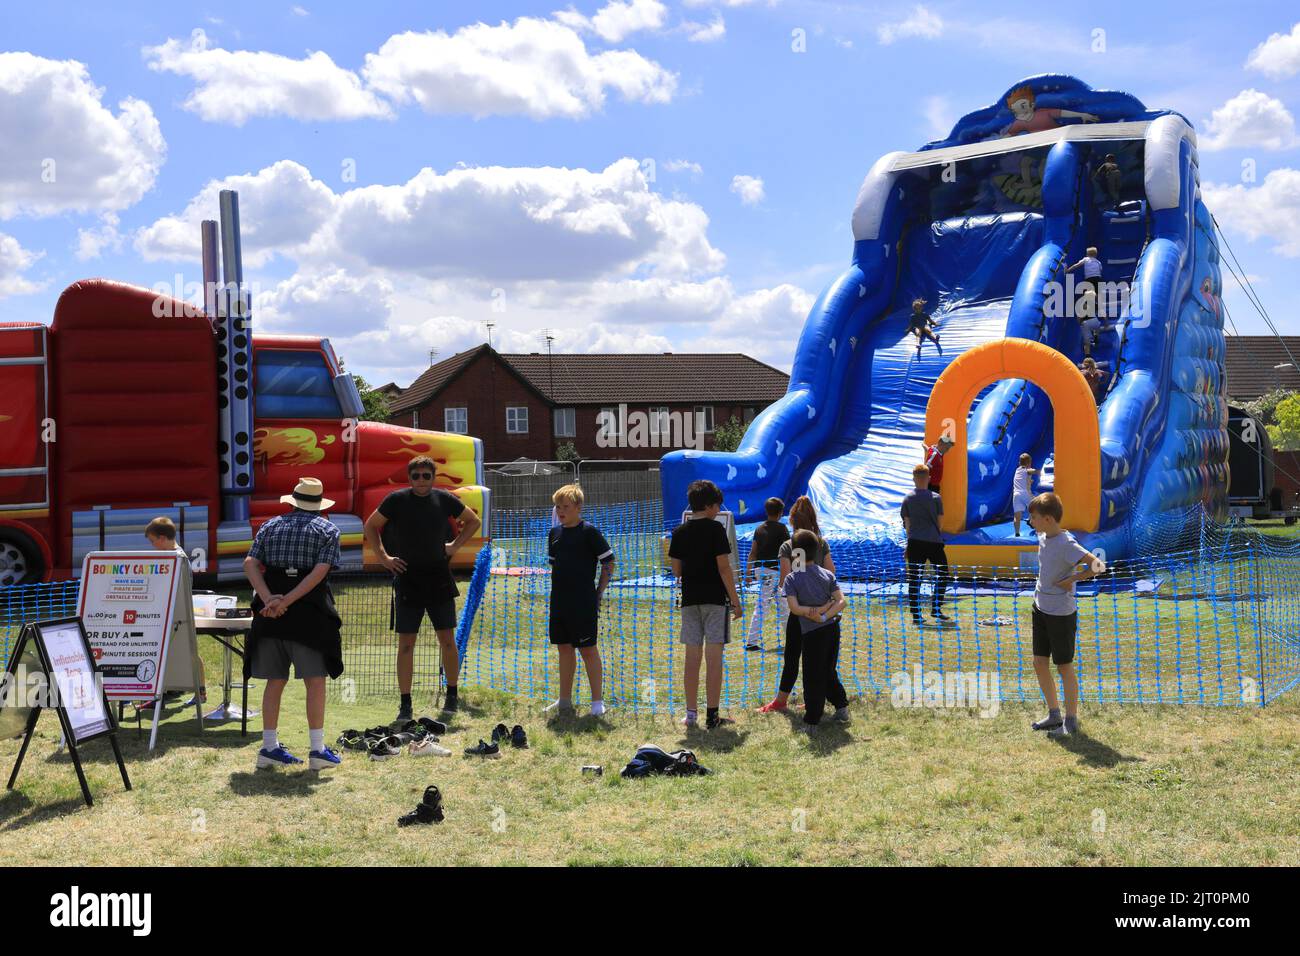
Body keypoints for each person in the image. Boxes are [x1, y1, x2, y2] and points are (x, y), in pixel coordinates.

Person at [364, 455, 482, 722]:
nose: (420, 480)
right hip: (407, 578)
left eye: (425, 476)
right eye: (415, 476)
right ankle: (405, 705)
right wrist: (384, 558)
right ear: (409, 478)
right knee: (406, 644)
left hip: (439, 577)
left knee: (447, 641)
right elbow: (371, 526)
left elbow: (472, 521)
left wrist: (455, 545)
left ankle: (452, 695)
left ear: (433, 477)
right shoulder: (396, 500)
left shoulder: (444, 499)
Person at [243, 477, 345, 771]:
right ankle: (317, 751)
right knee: (315, 681)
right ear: (319, 504)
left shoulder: (271, 525)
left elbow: (250, 563)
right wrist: (286, 600)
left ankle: (269, 747)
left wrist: (268, 599)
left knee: (275, 681)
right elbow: (319, 574)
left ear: (293, 501)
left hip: (269, 616)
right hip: (309, 616)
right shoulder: (328, 530)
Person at [1027, 492, 1106, 739]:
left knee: (1063, 666)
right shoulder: (1043, 536)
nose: (1031, 522)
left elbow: (1098, 566)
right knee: (1039, 663)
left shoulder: (1066, 543)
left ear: (1048, 519)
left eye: (1034, 518)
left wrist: (1071, 580)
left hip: (1061, 613)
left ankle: (1070, 720)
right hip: (1040, 607)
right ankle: (1054, 714)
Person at [669, 480, 742, 730]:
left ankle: (690, 714)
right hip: (714, 601)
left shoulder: (679, 532)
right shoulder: (715, 530)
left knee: (692, 658)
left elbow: (676, 570)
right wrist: (736, 600)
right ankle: (712, 715)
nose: (719, 509)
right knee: (714, 659)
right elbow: (724, 567)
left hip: (689, 600)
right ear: (710, 506)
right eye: (718, 505)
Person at [757, 496, 836, 714]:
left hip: (800, 612)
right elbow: (831, 571)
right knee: (820, 660)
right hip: (823, 613)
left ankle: (782, 700)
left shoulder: (790, 546)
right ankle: (820, 699)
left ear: (792, 520)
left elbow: (787, 579)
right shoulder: (821, 543)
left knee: (792, 656)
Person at [543, 484, 614, 718]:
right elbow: (556, 566)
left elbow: (608, 563)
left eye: (566, 506)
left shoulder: (589, 532)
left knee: (588, 650)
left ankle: (597, 702)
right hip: (559, 602)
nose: (561, 510)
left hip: (583, 603)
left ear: (578, 507)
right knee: (564, 648)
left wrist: (599, 592)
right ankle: (564, 701)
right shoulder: (554, 534)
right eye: (558, 506)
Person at [780, 529, 850, 731]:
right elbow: (841, 601)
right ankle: (841, 706)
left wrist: (813, 614)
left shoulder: (792, 579)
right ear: (818, 549)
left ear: (795, 553)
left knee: (812, 675)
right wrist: (824, 614)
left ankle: (812, 720)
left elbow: (794, 608)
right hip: (831, 629)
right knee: (827, 670)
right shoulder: (827, 574)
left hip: (811, 632)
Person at [145, 516, 206, 706]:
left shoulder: (179, 558)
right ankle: (164, 693)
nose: (153, 546)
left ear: (162, 538)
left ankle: (200, 691)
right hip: (168, 613)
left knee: (190, 652)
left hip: (179, 614)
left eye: (153, 541)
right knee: (177, 653)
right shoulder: (171, 556)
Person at [901, 464, 951, 627]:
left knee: (914, 579)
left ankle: (916, 615)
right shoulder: (936, 498)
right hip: (934, 542)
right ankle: (936, 608)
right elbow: (941, 523)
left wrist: (910, 542)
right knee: (943, 574)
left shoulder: (907, 499)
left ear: (913, 478)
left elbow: (907, 525)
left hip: (915, 542)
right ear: (929, 479)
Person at [743, 497, 789, 651]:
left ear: (766, 511)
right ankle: (752, 641)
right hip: (774, 571)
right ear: (781, 513)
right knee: (771, 605)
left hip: (760, 570)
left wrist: (748, 573)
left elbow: (753, 553)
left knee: (778, 604)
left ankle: (792, 638)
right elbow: (787, 553)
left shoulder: (759, 529)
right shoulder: (782, 529)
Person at [1011, 453, 1037, 537]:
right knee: (1037, 506)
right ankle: (1031, 521)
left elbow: (1022, 480)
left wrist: (1030, 481)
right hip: (1025, 493)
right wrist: (1037, 471)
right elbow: (1029, 471)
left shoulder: (1017, 470)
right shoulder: (1026, 469)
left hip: (1016, 494)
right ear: (1029, 463)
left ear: (1019, 463)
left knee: (1017, 516)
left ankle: (1017, 533)